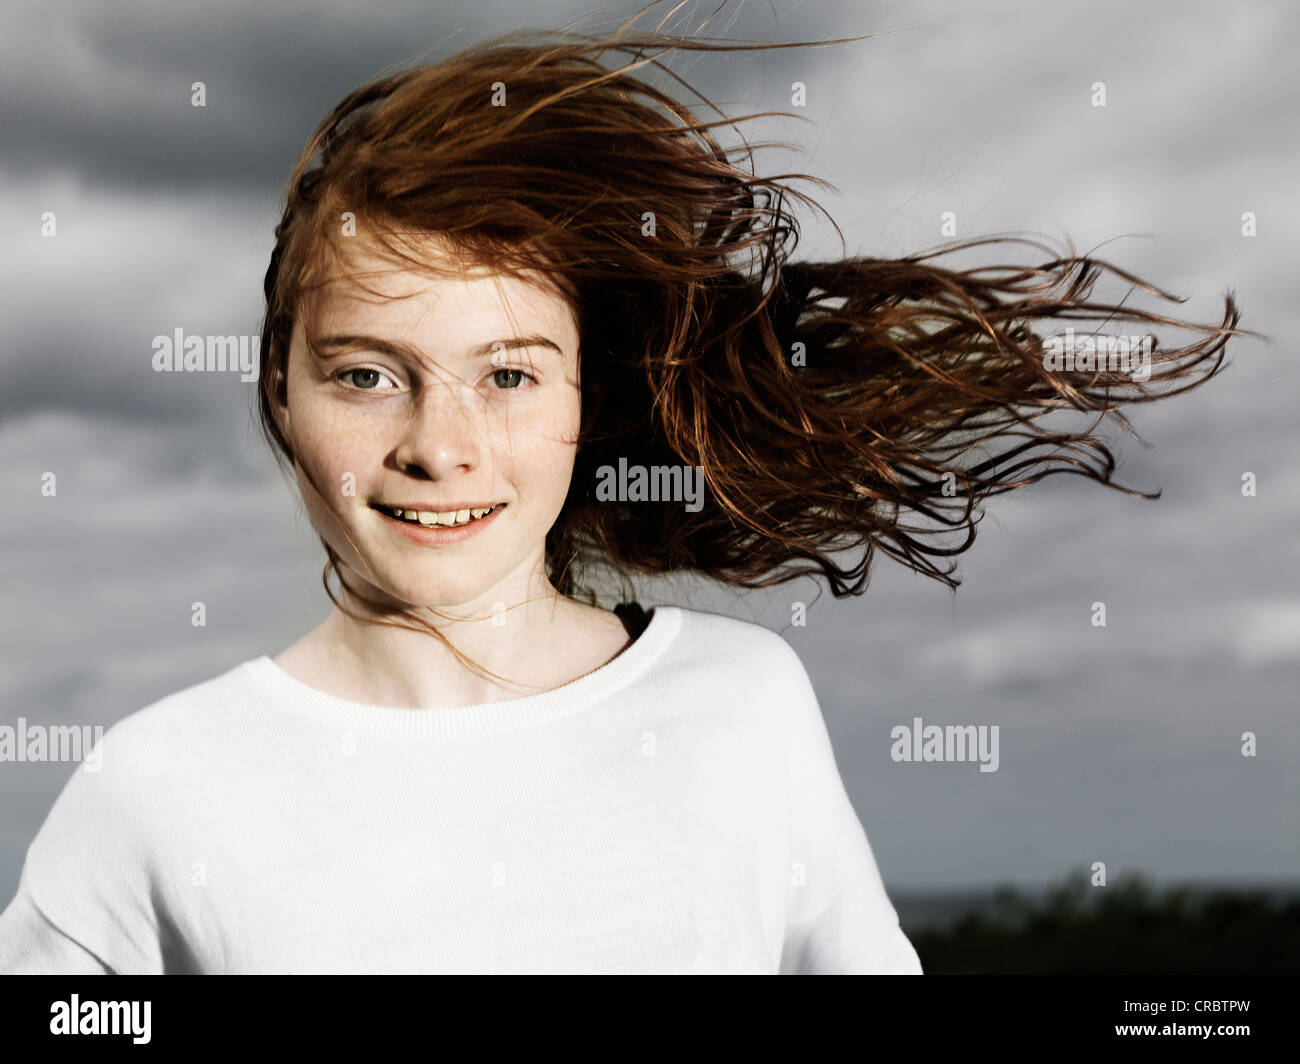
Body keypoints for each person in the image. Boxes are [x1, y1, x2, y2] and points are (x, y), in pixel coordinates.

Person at [0, 7, 1246, 974]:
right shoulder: (158, 784)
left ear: (586, 396)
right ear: (281, 385)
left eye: (507, 374)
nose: (442, 445)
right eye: (370, 372)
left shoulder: (742, 704)